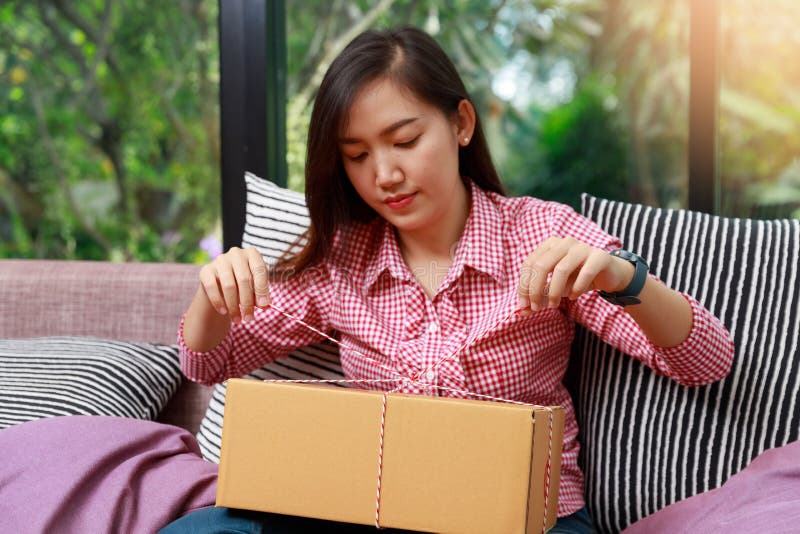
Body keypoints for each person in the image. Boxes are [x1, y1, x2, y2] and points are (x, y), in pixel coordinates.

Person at [164, 26, 734, 534]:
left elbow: (706, 361)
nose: (384, 175)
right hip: (373, 510)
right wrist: (212, 297)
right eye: (357, 155)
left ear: (461, 123)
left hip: (524, 520)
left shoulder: (543, 236)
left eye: (405, 141)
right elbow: (207, 364)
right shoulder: (343, 260)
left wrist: (625, 277)